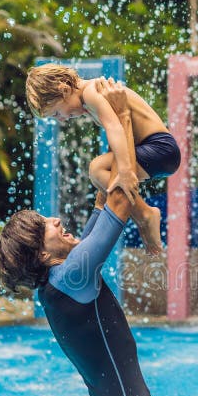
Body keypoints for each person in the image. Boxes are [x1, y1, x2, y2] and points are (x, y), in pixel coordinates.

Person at [0, 79, 176, 396]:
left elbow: (103, 204)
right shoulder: (73, 274)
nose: (57, 219)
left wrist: (118, 127)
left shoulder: (58, 283)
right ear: (41, 253)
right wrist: (125, 116)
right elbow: (119, 194)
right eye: (47, 225)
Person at [25, 63, 181, 256]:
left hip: (161, 148)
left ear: (64, 90)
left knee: (97, 168)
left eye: (57, 113)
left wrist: (124, 171)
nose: (62, 120)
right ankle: (143, 216)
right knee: (106, 180)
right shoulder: (88, 97)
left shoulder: (91, 92)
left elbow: (115, 128)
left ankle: (145, 214)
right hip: (155, 150)